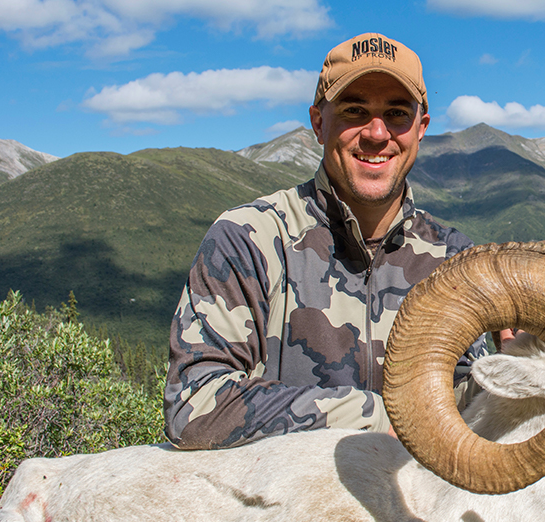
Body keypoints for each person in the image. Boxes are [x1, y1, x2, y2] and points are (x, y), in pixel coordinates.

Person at [163, 32, 490, 450]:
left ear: (421, 128)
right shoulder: (249, 239)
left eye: (396, 113)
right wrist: (376, 417)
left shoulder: (455, 260)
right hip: (283, 493)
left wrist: (514, 368)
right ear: (318, 123)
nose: (377, 133)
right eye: (355, 111)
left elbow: (465, 410)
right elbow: (195, 404)